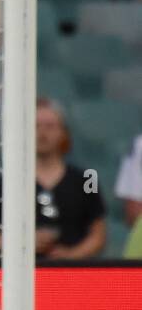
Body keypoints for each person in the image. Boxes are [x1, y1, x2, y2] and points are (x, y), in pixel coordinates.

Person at [34, 98, 106, 260]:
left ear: (63, 132)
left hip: (74, 276)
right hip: (21, 276)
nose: (42, 133)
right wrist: (24, 242)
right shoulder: (6, 183)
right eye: (36, 126)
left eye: (50, 126)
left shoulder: (88, 179)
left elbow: (98, 235)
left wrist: (71, 255)